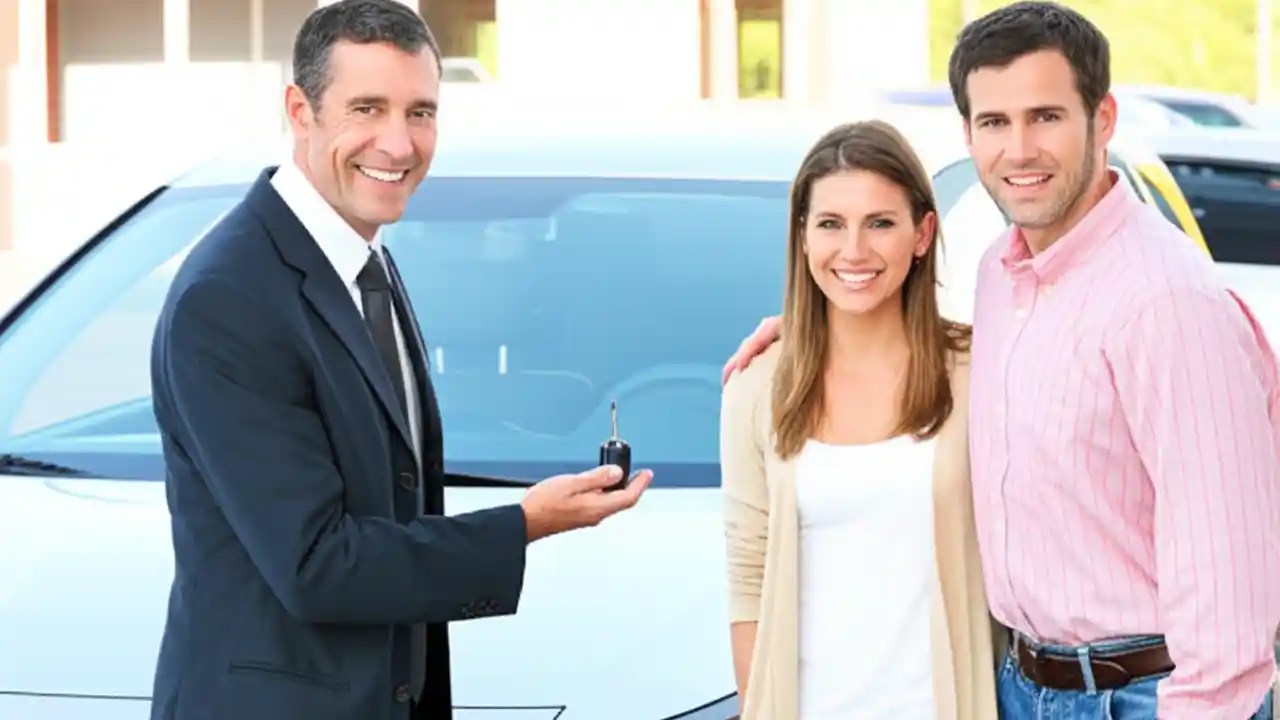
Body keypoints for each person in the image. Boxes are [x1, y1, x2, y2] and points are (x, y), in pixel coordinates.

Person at [720, 2, 1280, 718]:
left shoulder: (1167, 301)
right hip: (1019, 688)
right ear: (968, 134)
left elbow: (1230, 598)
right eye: (994, 122)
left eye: (1045, 116)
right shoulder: (1001, 276)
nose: (1019, 149)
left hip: (1141, 696)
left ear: (1103, 118)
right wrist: (818, 329)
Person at [147, 2, 652, 719]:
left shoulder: (361, 262)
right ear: (300, 110)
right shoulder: (230, 296)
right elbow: (316, 564)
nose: (399, 143)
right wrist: (524, 522)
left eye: (421, 112)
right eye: (367, 108)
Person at [720, 119, 1004, 720]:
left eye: (880, 223)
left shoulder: (980, 371)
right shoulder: (758, 387)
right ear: (802, 235)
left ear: (922, 234)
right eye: (830, 224)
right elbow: (749, 577)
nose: (853, 251)